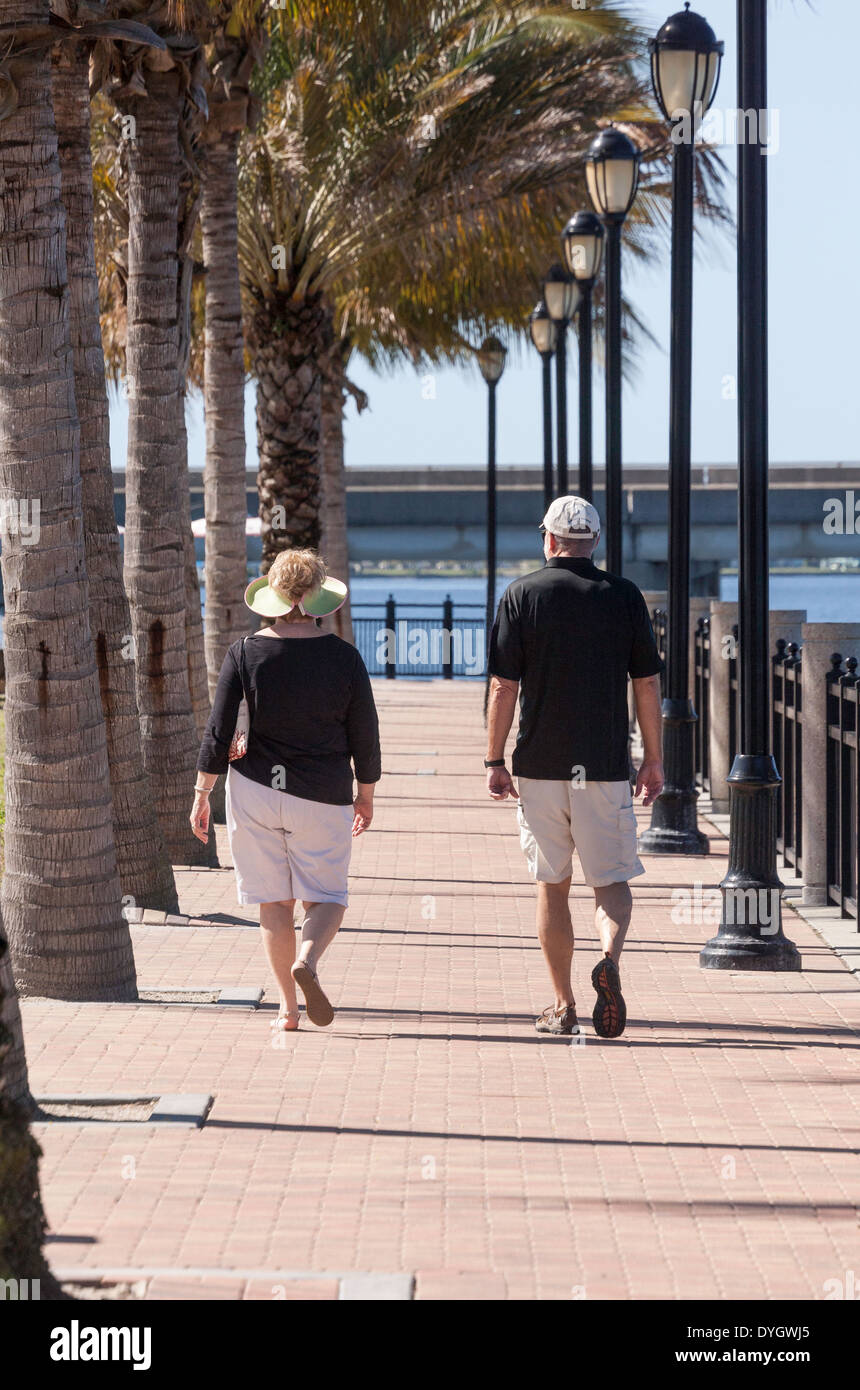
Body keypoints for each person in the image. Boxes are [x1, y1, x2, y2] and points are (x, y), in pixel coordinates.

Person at [485, 496, 664, 1038]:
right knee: (610, 881)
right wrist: (653, 759)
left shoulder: (521, 595)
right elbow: (647, 683)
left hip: (540, 765)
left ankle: (562, 1005)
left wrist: (495, 759)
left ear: (549, 540)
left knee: (552, 884)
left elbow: (504, 686)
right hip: (605, 766)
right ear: (596, 542)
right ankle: (608, 956)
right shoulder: (624, 596)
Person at [191, 549, 381, 1032]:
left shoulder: (245, 651)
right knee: (327, 896)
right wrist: (367, 794)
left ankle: (288, 1010)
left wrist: (201, 793)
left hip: (254, 789)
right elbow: (365, 733)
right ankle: (309, 961)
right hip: (321, 793)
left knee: (273, 904)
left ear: (274, 595)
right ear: (316, 598)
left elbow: (218, 730)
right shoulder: (344, 657)